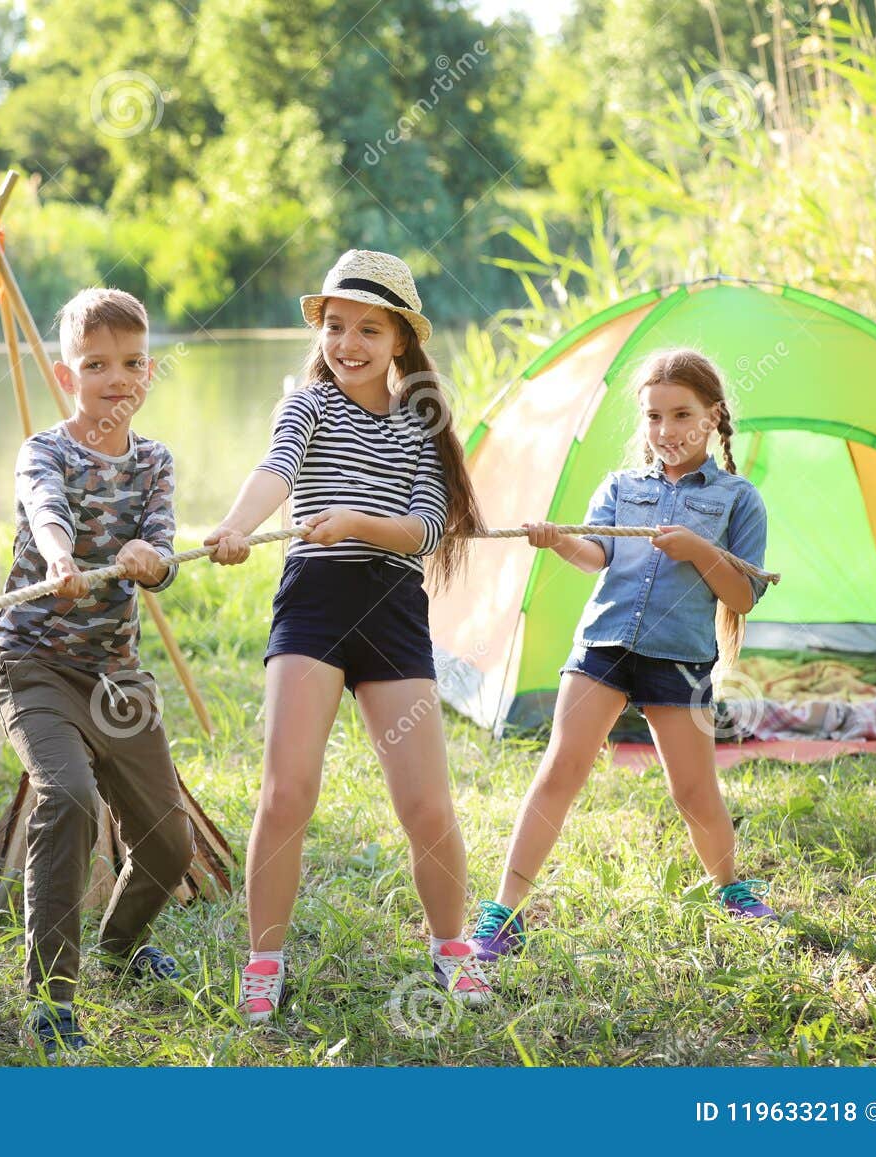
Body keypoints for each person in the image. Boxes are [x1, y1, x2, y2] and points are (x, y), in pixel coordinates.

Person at [205, 250, 491, 1022]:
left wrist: (358, 523)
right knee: (287, 790)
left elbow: (427, 528)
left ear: (400, 340)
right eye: (335, 326)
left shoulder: (422, 424)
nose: (348, 343)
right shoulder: (306, 405)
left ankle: (452, 946)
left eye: (369, 329)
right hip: (315, 605)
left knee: (425, 804)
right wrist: (236, 525)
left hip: (392, 608)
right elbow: (275, 470)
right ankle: (264, 961)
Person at [470, 347, 775, 964]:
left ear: (713, 417)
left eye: (681, 414)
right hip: (603, 646)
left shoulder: (738, 499)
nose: (666, 430)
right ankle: (505, 912)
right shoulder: (621, 487)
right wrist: (559, 542)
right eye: (654, 416)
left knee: (693, 791)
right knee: (560, 770)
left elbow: (743, 595)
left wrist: (699, 550)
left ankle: (729, 887)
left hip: (679, 659)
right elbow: (596, 555)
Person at [0, 287, 193, 1059]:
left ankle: (120, 944)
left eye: (133, 363)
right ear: (67, 374)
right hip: (33, 665)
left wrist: (151, 560)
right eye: (97, 364)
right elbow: (46, 509)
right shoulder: (44, 451)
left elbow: (163, 551)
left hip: (115, 674)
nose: (117, 378)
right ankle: (52, 997)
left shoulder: (155, 462)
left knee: (169, 844)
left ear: (148, 372)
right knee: (68, 795)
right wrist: (60, 556)